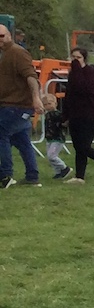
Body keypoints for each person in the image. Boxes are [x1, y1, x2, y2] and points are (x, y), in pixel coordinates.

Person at [61, 46, 94, 182]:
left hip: (90, 114)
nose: (75, 60)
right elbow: (69, 95)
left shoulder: (90, 72)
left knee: (84, 146)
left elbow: (82, 88)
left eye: (78, 58)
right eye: (73, 57)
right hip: (75, 115)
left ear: (84, 58)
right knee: (78, 147)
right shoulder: (73, 74)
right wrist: (65, 115)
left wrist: (76, 69)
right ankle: (80, 176)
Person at [0, 21, 44, 187]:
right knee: (22, 140)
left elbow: (31, 76)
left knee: (1, 133)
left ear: (9, 36)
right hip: (11, 105)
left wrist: (36, 98)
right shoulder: (4, 54)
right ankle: (32, 177)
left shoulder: (18, 52)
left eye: (1, 36)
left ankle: (5, 175)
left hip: (17, 105)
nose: (0, 39)